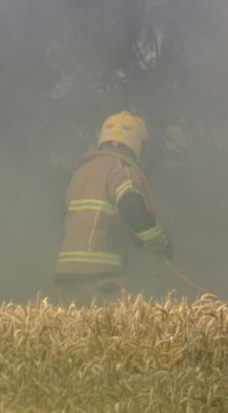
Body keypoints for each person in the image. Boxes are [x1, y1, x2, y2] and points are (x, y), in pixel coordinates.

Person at [55, 111, 172, 304]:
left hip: (66, 274)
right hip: (101, 275)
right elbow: (133, 209)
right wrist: (161, 244)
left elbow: (80, 219)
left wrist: (126, 233)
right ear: (137, 144)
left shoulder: (80, 173)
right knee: (113, 332)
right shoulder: (122, 170)